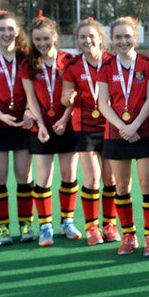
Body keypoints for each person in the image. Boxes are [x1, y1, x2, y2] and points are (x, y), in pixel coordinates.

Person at [95, 16, 149, 257]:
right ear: (112, 39)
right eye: (118, 37)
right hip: (116, 133)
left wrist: (134, 126)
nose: (123, 41)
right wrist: (122, 127)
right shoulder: (106, 67)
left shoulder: (147, 63)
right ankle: (129, 235)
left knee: (146, 184)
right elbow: (102, 103)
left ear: (136, 36)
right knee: (121, 185)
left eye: (127, 36)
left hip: (144, 131)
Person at [21, 14, 80, 247]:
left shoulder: (70, 60)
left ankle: (67, 221)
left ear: (55, 36)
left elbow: (75, 96)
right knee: (43, 178)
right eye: (37, 40)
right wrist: (41, 126)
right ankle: (45, 226)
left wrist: (65, 119)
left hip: (67, 124)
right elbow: (31, 99)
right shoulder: (28, 64)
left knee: (69, 175)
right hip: (41, 127)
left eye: (46, 38)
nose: (42, 43)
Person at [0, 10, 35, 245]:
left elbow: (34, 89)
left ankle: (26, 224)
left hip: (24, 123)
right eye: (1, 29)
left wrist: (30, 112)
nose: (6, 33)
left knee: (23, 174)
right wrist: (0, 114)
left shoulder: (26, 57)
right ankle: (2, 228)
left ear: (17, 31)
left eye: (10, 29)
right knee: (0, 175)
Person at [61, 18, 121, 245]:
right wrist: (68, 98)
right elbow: (65, 99)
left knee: (110, 178)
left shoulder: (112, 62)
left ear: (100, 38)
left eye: (91, 36)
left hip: (111, 125)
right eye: (82, 37)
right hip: (84, 127)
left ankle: (110, 225)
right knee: (93, 178)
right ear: (77, 40)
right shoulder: (73, 66)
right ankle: (92, 227)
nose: (87, 40)